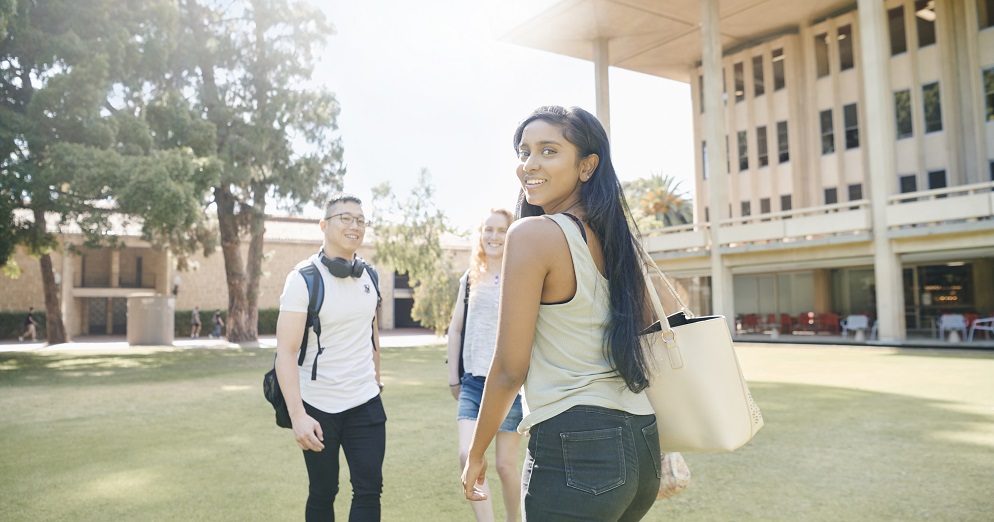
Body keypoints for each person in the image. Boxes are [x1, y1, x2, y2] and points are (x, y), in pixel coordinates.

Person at [462, 106, 660, 521]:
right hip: (642, 443)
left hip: (578, 445)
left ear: (587, 166)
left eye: (548, 151)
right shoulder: (618, 243)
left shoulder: (534, 234)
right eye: (523, 152)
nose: (529, 165)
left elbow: (508, 369)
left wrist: (476, 452)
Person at [275, 193, 386, 521]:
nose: (355, 226)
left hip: (365, 402)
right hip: (318, 407)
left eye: (361, 220)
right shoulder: (303, 279)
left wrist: (376, 380)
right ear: (324, 225)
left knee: (369, 489)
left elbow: (372, 334)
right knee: (323, 491)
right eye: (346, 218)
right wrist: (298, 417)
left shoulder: (370, 276)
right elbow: (286, 351)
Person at [447, 208, 522, 522]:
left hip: (508, 384)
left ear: (511, 235)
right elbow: (455, 328)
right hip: (473, 383)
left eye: (501, 230)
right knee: (467, 455)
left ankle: (514, 519)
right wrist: (454, 378)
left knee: (505, 466)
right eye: (488, 230)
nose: (494, 236)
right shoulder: (470, 277)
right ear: (481, 235)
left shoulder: (519, 273)